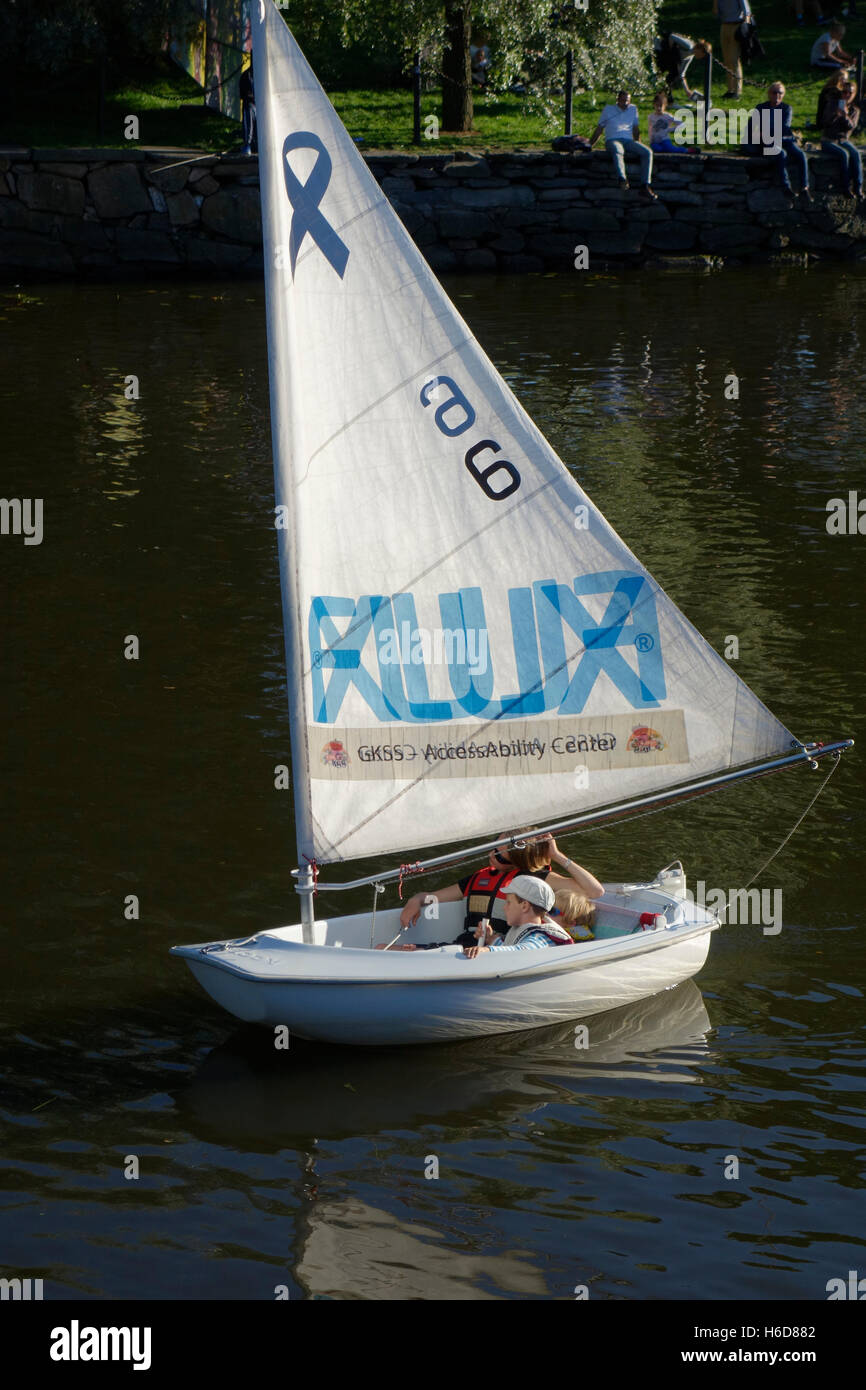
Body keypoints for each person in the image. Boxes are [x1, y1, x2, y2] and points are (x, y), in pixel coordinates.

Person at [397, 831, 604, 947]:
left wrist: (557, 856)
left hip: (491, 953)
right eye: (494, 846)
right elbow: (431, 897)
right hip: (459, 946)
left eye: (499, 852)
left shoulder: (534, 880)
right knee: (384, 950)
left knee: (392, 953)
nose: (492, 853)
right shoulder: (479, 878)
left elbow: (594, 891)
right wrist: (416, 900)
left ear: (517, 857)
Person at [463, 876, 575, 957]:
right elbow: (508, 948)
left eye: (508, 902)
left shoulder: (539, 938)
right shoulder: (526, 931)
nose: (504, 907)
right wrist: (490, 939)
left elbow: (519, 952)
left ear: (525, 906)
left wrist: (486, 950)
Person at [743, 81, 812, 200]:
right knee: (781, 154)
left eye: (780, 93)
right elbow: (750, 128)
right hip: (767, 142)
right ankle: (786, 187)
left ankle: (804, 187)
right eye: (774, 93)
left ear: (783, 95)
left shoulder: (786, 109)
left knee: (800, 155)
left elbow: (784, 127)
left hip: (783, 139)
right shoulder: (761, 108)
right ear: (769, 94)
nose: (777, 96)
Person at [587, 90, 658, 199]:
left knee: (647, 152)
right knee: (618, 150)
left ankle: (645, 186)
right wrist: (590, 144)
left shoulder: (633, 109)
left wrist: (637, 143)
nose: (625, 103)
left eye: (627, 101)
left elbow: (635, 129)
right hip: (612, 139)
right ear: (618, 100)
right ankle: (622, 179)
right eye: (623, 100)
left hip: (628, 140)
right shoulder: (608, 110)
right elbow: (599, 129)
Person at [820, 79, 863, 197]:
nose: (847, 95)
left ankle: (858, 187)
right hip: (828, 140)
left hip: (843, 140)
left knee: (856, 154)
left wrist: (845, 116)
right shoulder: (832, 104)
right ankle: (846, 187)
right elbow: (825, 122)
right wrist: (835, 115)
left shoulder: (854, 110)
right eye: (845, 92)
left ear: (853, 95)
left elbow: (851, 127)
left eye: (850, 93)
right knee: (844, 155)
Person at [655, 33, 712, 102]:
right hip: (659, 48)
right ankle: (667, 99)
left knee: (673, 74)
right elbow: (671, 36)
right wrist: (669, 53)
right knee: (671, 73)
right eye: (702, 54)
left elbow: (681, 74)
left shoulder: (689, 57)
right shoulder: (688, 46)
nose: (701, 57)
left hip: (667, 58)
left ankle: (665, 98)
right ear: (699, 49)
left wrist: (687, 91)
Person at [713, 0, 753, 99]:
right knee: (727, 60)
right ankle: (730, 89)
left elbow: (746, 11)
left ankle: (737, 91)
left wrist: (745, 29)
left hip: (737, 26)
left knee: (734, 59)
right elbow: (716, 13)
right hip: (724, 25)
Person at [240, 58, 256, 156]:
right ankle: (247, 144)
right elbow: (243, 94)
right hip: (250, 104)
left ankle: (255, 145)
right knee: (248, 125)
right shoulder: (247, 75)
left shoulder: (262, 75)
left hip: (259, 105)